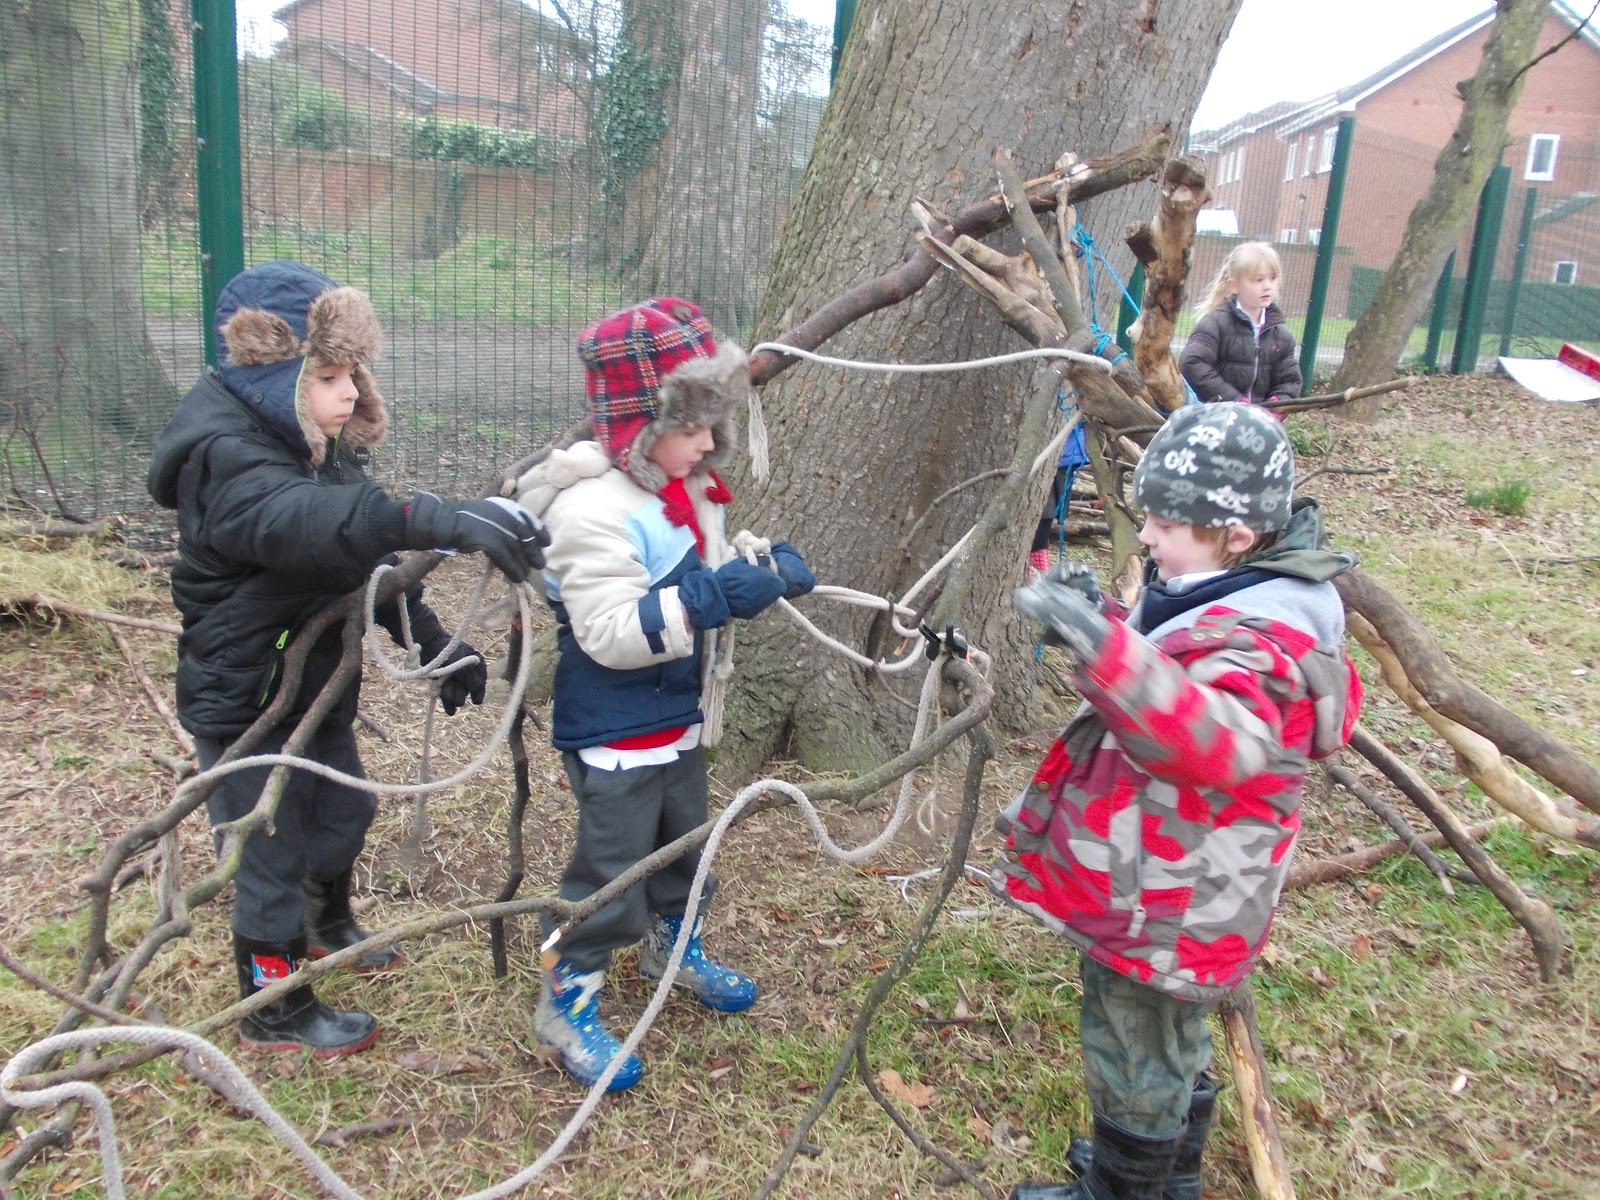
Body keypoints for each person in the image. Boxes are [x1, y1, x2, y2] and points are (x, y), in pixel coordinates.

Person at [148, 260, 549, 1058]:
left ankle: (323, 922)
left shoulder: (310, 446)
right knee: (269, 845)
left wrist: (434, 643)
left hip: (316, 680)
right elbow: (313, 525)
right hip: (245, 696)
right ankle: (272, 1002)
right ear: (270, 373)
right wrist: (427, 516)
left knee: (344, 812)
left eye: (353, 374)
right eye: (327, 374)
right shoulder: (224, 457)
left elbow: (361, 570)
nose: (347, 393)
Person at [993, 402, 1362, 1200]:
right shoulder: (1232, 595)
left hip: (1171, 902)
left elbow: (1210, 739)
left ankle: (1126, 1189)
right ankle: (1170, 1177)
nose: (1147, 538)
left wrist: (1102, 647)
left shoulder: (1267, 639)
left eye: (1165, 523)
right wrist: (1110, 621)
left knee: (1134, 1049)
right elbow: (1182, 660)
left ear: (1234, 533)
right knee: (1167, 1038)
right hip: (1161, 885)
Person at [514, 297, 814, 1091]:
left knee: (686, 844)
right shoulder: (588, 510)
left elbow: (708, 572)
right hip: (615, 730)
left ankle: (671, 950)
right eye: (693, 426)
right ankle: (566, 997)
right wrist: (717, 598)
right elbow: (611, 630)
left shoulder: (683, 490)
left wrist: (768, 567)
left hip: (677, 719)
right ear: (643, 426)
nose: (710, 442)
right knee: (611, 870)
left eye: (714, 422)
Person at [1179, 241, 1302, 409]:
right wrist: (1234, 401)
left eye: (1272, 278)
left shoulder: (1281, 335)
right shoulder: (1215, 324)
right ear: (1234, 285)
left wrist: (1275, 407)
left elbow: (1289, 380)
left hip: (1260, 422)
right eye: (1258, 280)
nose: (1267, 286)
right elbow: (1192, 363)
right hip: (1217, 417)